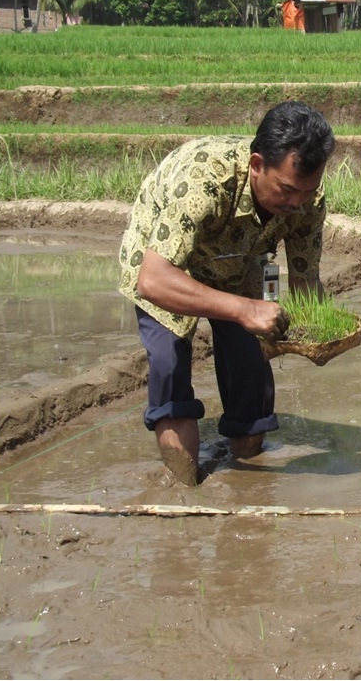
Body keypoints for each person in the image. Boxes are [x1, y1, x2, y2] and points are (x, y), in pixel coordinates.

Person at [118, 101, 336, 485]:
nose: (296, 203)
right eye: (287, 190)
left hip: (240, 262)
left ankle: (248, 479)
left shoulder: (307, 201)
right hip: (170, 264)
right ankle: (185, 487)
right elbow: (153, 280)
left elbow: (305, 282)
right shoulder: (203, 183)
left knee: (251, 369)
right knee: (169, 366)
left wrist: (323, 333)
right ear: (257, 165)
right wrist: (243, 310)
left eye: (307, 191)